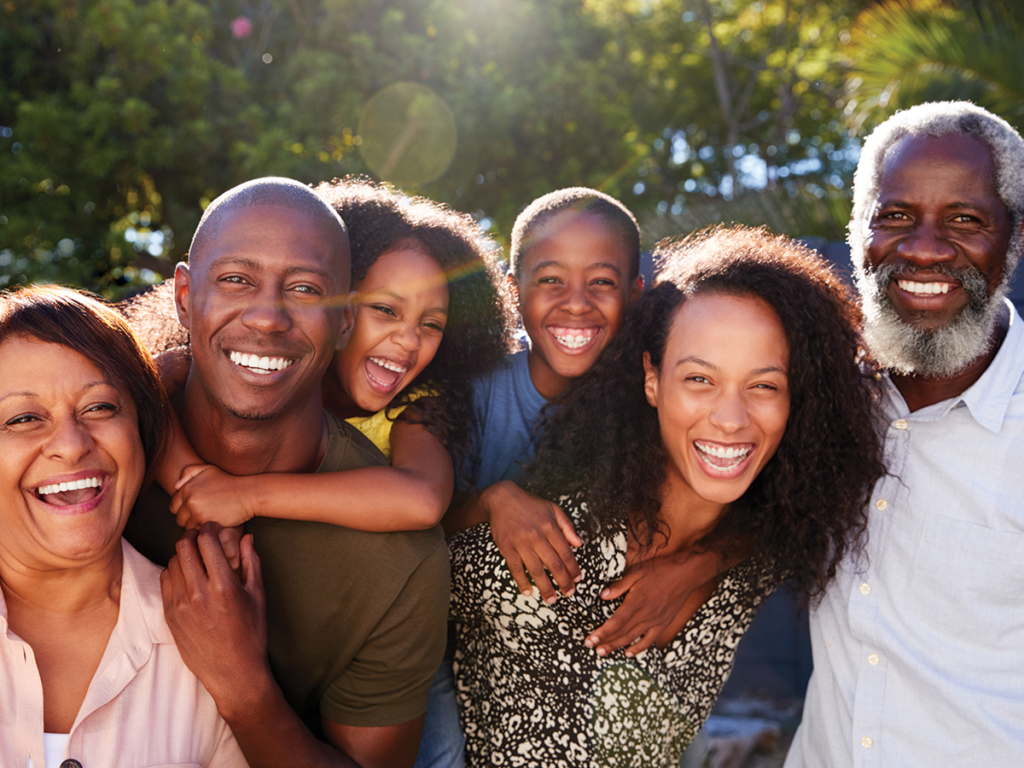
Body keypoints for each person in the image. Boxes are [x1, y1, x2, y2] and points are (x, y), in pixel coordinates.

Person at [447, 226, 886, 767]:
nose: (730, 419)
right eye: (700, 379)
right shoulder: (549, 545)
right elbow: (406, 568)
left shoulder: (769, 542)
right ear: (652, 381)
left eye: (764, 385)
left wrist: (704, 561)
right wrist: (491, 502)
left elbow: (777, 532)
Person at [123, 177, 450, 768]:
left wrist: (244, 687)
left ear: (344, 320)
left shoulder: (402, 562)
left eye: (304, 289)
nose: (269, 318)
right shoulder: (92, 454)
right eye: (235, 280)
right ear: (182, 294)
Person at [785, 102, 1024, 767]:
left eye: (965, 220)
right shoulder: (819, 391)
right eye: (895, 216)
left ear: (1016, 237)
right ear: (858, 231)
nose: (923, 248)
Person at [151, 176, 513, 534]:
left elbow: (423, 499)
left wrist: (245, 497)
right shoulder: (221, 362)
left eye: (431, 324)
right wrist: (196, 489)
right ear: (342, 312)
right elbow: (139, 394)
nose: (408, 340)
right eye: (386, 310)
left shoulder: (414, 410)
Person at [0, 285, 246, 767]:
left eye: (100, 407)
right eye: (24, 418)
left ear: (143, 432)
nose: (71, 445)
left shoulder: (214, 638)